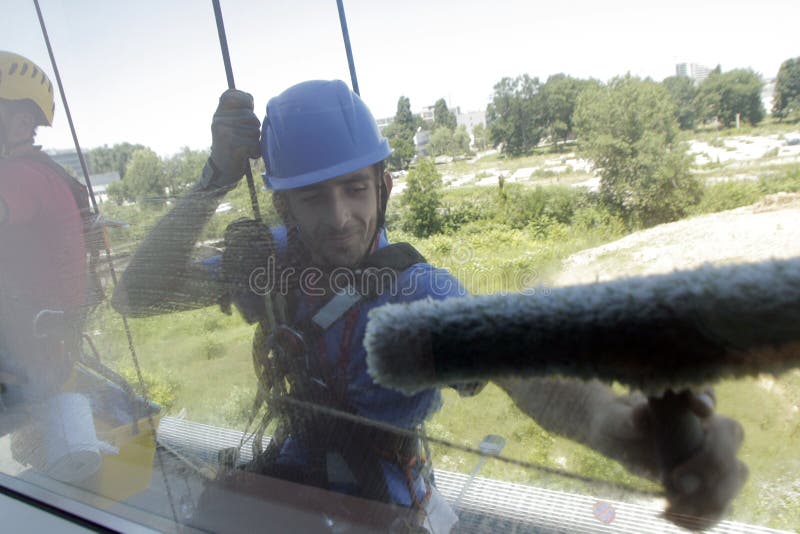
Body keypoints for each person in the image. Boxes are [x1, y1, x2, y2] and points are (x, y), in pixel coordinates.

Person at [112, 80, 746, 530]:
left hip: (379, 510)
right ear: (283, 206)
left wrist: (627, 433)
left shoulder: (413, 292)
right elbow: (134, 298)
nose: (339, 218)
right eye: (312, 198)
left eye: (354, 189)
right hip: (295, 484)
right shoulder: (270, 261)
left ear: (383, 186)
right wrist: (214, 179)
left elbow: (512, 364)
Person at [0, 51, 94, 424]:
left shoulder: (17, 176)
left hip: (23, 368)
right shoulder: (46, 174)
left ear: (21, 124)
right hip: (45, 356)